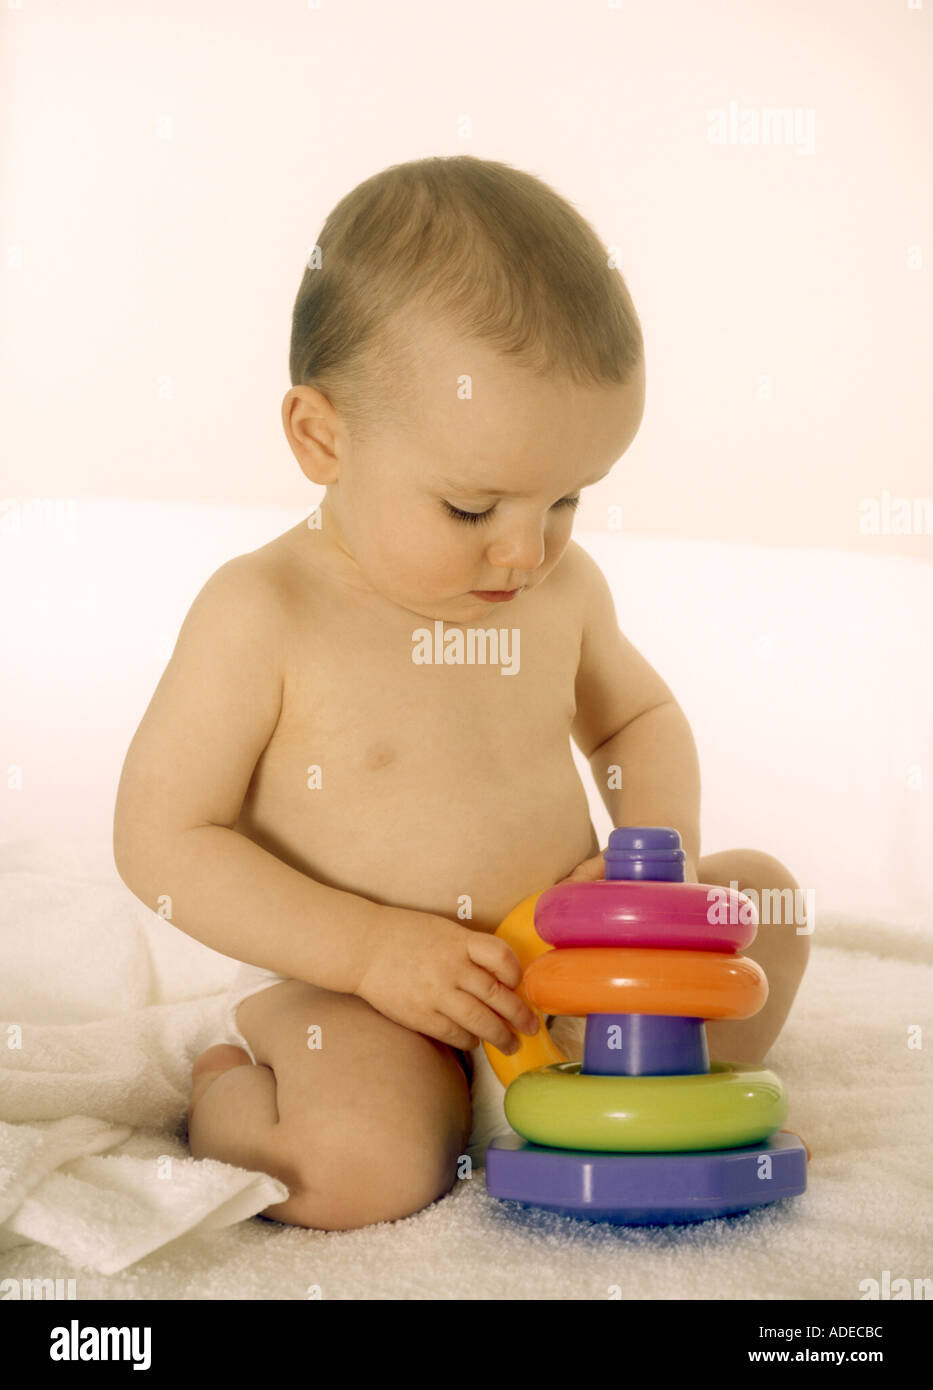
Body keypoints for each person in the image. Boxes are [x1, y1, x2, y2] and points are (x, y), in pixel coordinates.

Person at [113, 155, 810, 1232]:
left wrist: (652, 857)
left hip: (567, 964)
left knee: (762, 902)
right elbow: (162, 840)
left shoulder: (558, 587)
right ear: (322, 437)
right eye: (472, 506)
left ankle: (599, 1078)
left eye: (568, 498)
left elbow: (638, 719)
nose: (526, 551)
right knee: (356, 1169)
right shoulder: (263, 610)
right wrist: (370, 952)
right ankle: (231, 1087)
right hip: (366, 998)